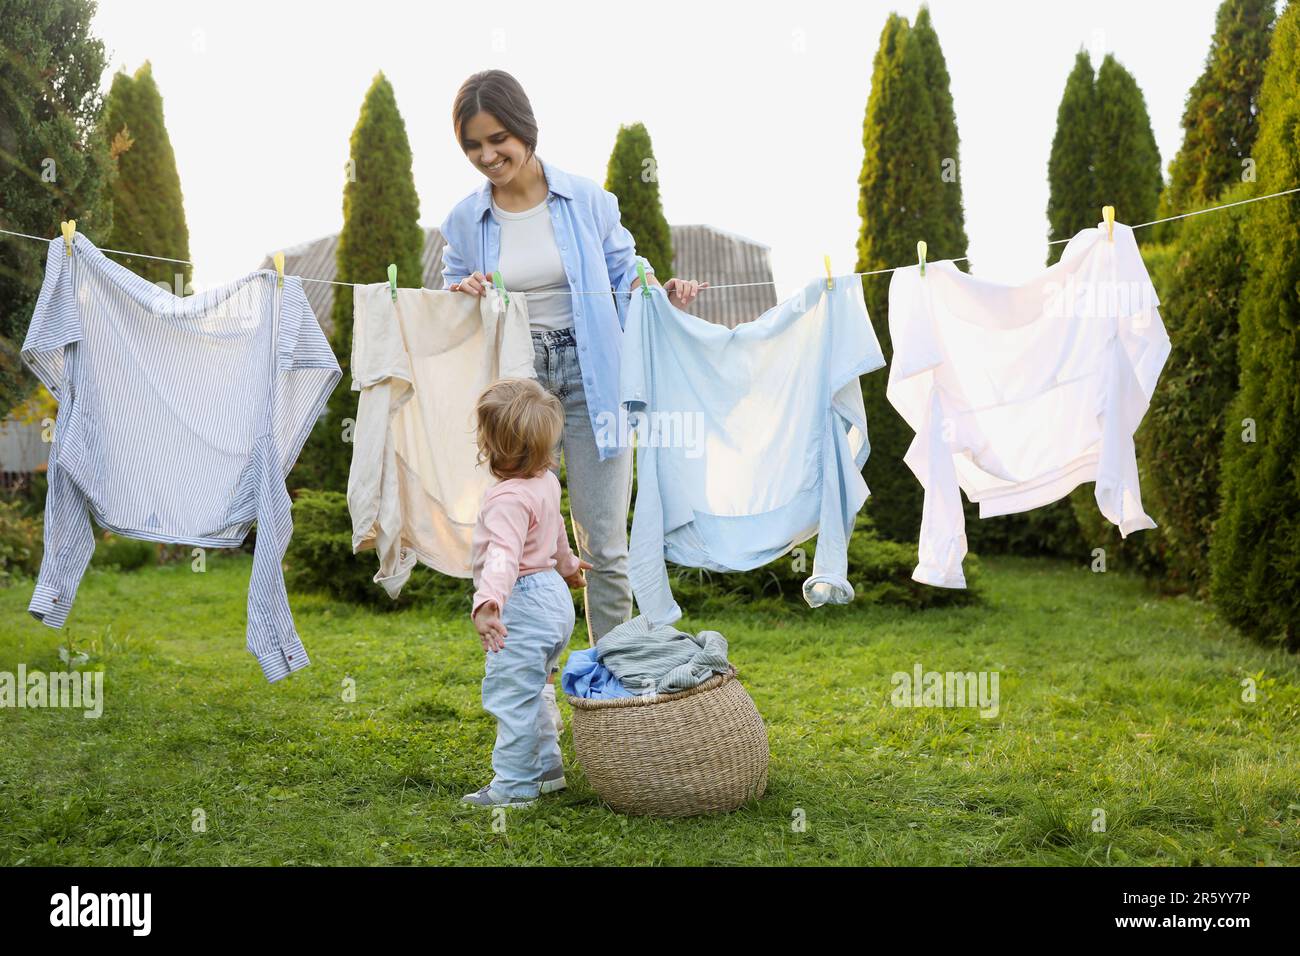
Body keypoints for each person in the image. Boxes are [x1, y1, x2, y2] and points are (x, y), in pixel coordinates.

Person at [440, 71, 708, 713]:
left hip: (594, 380)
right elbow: (448, 298)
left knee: (604, 546)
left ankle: (611, 702)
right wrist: (463, 292)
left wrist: (658, 297)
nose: (487, 157)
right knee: (524, 544)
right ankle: (532, 699)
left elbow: (627, 271)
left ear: (524, 129)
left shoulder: (587, 199)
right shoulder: (464, 218)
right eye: (473, 146)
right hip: (518, 384)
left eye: (497, 139)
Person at [462, 378, 592, 808]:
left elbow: (504, 555)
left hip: (523, 600)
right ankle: (547, 769)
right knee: (534, 687)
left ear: (492, 445)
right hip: (554, 598)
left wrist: (489, 601)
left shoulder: (506, 499)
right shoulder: (546, 483)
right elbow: (555, 533)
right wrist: (570, 566)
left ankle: (514, 786)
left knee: (511, 694)